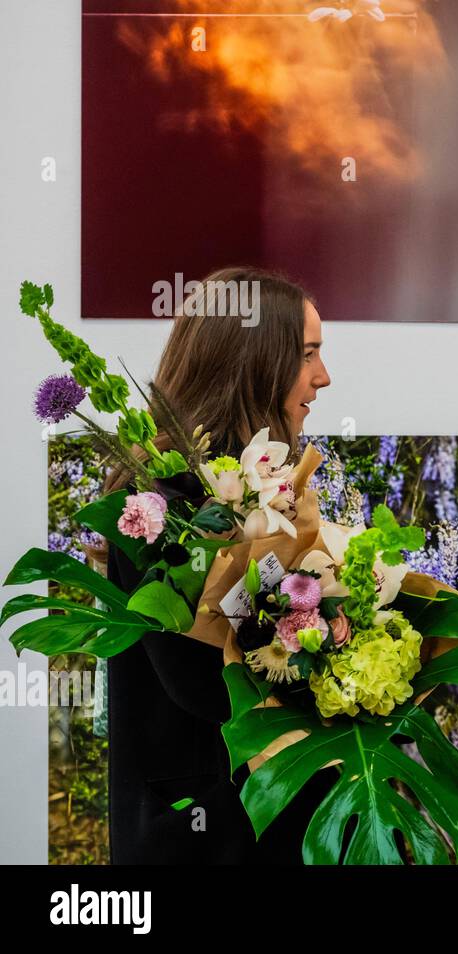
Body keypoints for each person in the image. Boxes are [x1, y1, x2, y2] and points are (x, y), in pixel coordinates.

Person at [92, 266, 335, 863]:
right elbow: (203, 685)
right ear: (252, 363)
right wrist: (328, 648)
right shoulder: (153, 508)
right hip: (202, 839)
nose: (323, 378)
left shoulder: (263, 498)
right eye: (307, 355)